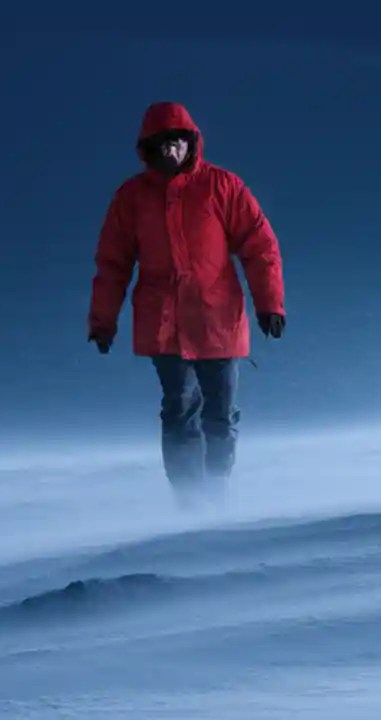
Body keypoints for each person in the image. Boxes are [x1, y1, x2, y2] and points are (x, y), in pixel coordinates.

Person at [87, 102, 286, 507]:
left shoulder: (223, 187)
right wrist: (102, 321)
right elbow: (113, 262)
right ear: (149, 149)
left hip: (218, 318)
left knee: (222, 412)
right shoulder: (131, 198)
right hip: (164, 322)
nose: (171, 151)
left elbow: (259, 244)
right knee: (179, 407)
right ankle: (189, 499)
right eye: (162, 144)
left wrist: (270, 304)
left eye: (178, 142)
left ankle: (217, 490)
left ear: (191, 142)